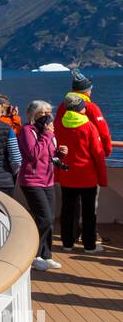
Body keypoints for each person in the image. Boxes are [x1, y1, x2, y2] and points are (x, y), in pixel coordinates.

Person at [54, 94, 107, 254]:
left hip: (67, 174)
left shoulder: (59, 125)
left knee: (68, 210)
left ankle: (67, 243)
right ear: (79, 109)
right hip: (87, 175)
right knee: (89, 212)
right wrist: (103, 179)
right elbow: (98, 153)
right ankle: (89, 245)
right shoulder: (89, 126)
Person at [17, 101, 64, 270]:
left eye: (49, 112)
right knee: (44, 218)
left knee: (50, 219)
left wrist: (59, 153)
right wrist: (48, 135)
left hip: (47, 180)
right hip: (31, 180)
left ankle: (46, 255)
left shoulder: (46, 132)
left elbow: (48, 154)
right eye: (43, 113)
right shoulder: (27, 131)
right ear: (33, 114)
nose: (47, 116)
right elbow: (32, 155)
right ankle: (33, 255)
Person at [56, 70, 112, 157]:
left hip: (66, 154)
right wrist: (107, 150)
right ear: (85, 91)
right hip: (87, 154)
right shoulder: (91, 107)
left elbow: (57, 126)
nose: (91, 92)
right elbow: (103, 131)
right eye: (90, 89)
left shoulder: (62, 106)